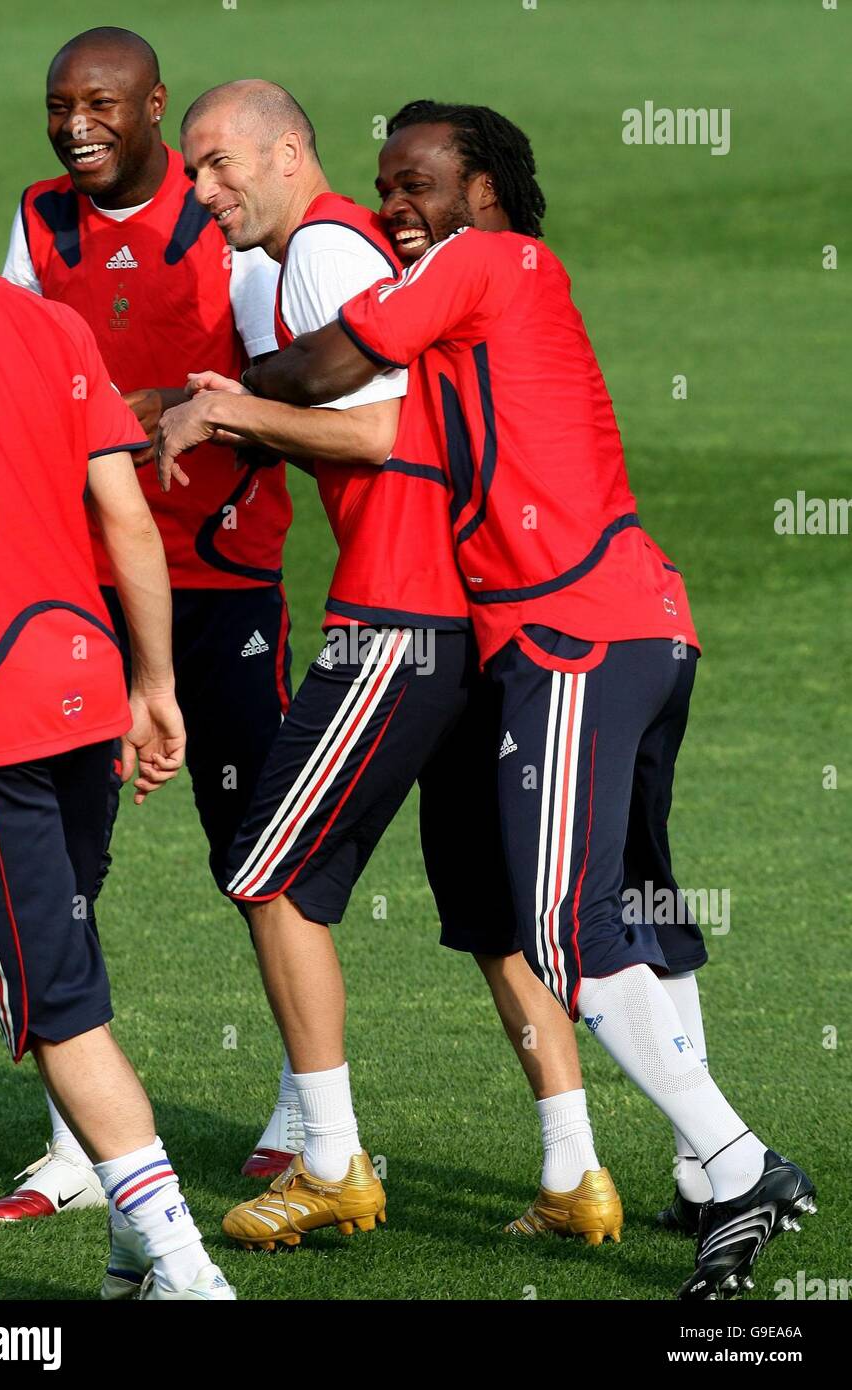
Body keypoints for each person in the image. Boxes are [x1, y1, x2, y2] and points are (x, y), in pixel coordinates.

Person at [209, 100, 817, 1300]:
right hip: (647, 627)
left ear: (484, 190)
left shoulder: (482, 262)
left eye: (420, 183)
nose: (396, 205)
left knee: (565, 929)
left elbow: (332, 363)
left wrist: (219, 396)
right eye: (387, 184)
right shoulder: (497, 299)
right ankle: (701, 1169)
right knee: (640, 906)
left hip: (571, 636)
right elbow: (383, 427)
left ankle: (739, 1162)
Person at [158, 81, 622, 1250]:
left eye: (217, 167)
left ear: (285, 153)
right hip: (470, 623)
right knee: (487, 913)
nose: (201, 193)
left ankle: (327, 1159)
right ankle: (577, 1170)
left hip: (398, 619)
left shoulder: (319, 253)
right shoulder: (355, 249)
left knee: (267, 874)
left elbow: (381, 427)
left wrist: (226, 417)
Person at [0, 101, 234, 1300]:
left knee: (57, 1000)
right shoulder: (49, 327)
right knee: (72, 951)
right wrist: (154, 684)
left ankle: (186, 1270)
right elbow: (126, 512)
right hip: (83, 680)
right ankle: (127, 1262)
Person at [0, 26, 289, 1222]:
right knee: (65, 857)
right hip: (72, 584)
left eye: (101, 103)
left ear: (155, 104)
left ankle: (313, 1118)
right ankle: (75, 1144)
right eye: (60, 103)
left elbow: (296, 379)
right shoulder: (35, 219)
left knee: (260, 850)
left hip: (216, 578)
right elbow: (4, 365)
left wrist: (178, 410)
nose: (76, 125)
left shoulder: (225, 217)